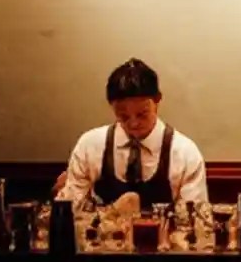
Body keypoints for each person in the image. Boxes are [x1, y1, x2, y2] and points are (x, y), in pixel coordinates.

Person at [55, 58, 208, 207]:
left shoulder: (185, 153)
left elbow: (193, 218)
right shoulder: (89, 146)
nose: (133, 123)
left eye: (142, 114)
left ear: (157, 100)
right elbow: (72, 208)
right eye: (123, 116)